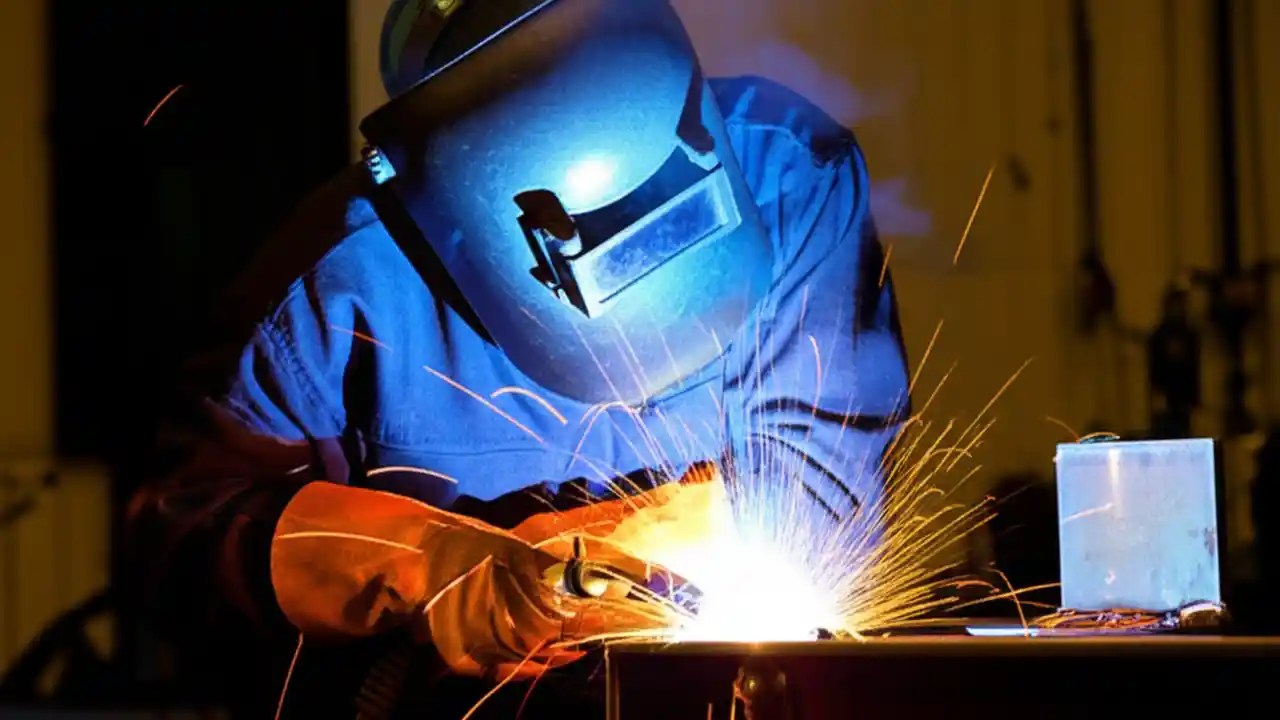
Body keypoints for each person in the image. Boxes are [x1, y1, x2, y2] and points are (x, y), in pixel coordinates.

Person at [126, 0, 911, 717]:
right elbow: (181, 529)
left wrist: (640, 543)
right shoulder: (341, 284)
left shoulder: (788, 179)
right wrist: (421, 564)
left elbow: (820, 504)